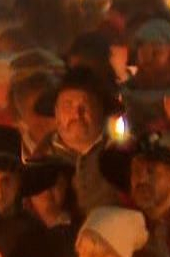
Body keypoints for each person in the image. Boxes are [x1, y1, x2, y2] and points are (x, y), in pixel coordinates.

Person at [38, 68, 120, 211]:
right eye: (67, 106)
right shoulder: (39, 161)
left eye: (85, 105)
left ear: (101, 110)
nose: (76, 114)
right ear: (56, 113)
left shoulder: (121, 156)